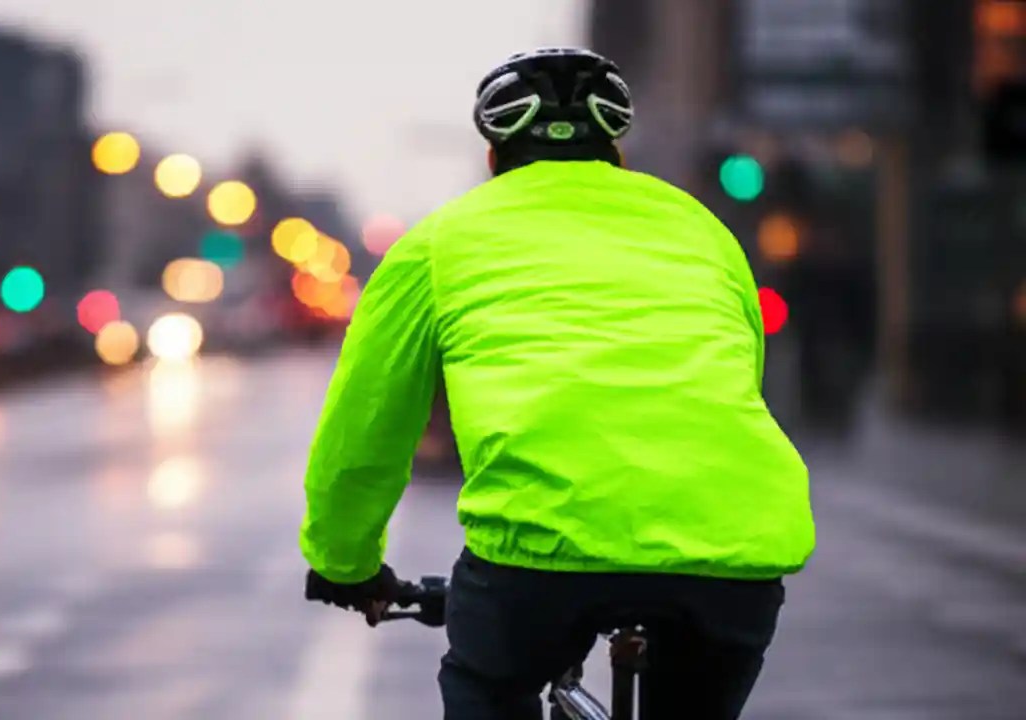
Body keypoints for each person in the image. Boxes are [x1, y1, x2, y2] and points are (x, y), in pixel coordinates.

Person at [300, 47, 816, 720]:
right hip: (732, 544)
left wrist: (347, 564)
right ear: (616, 153)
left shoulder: (437, 242)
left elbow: (367, 427)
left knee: (489, 688)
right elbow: (742, 372)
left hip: (540, 554)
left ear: (494, 158)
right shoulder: (704, 229)